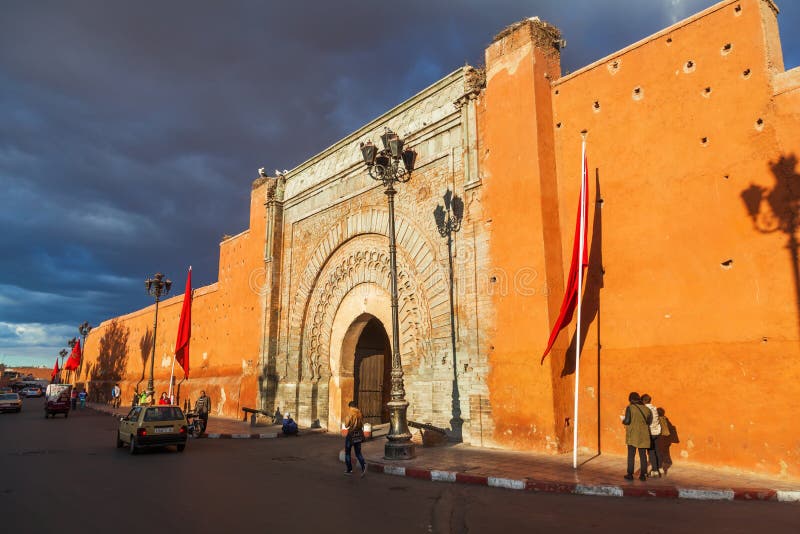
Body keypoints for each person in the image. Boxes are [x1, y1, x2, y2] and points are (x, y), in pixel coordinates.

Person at [621, 391, 651, 481]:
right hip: (644, 435)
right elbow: (649, 422)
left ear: (630, 399)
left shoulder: (630, 408)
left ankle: (630, 474)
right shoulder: (647, 409)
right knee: (643, 455)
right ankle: (643, 475)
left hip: (633, 434)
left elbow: (627, 421)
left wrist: (623, 420)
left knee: (631, 455)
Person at [343, 400, 367, 477]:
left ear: (350, 406)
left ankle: (349, 469)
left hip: (351, 434)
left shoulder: (350, 413)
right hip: (358, 434)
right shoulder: (360, 413)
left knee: (347, 452)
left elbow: (346, 425)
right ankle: (363, 465)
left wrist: (347, 419)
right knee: (358, 453)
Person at [641, 393, 662, 477]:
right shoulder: (654, 408)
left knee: (651, 452)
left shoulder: (646, 409)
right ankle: (660, 467)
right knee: (657, 450)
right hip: (657, 431)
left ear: (643, 401)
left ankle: (655, 471)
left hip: (651, 432)